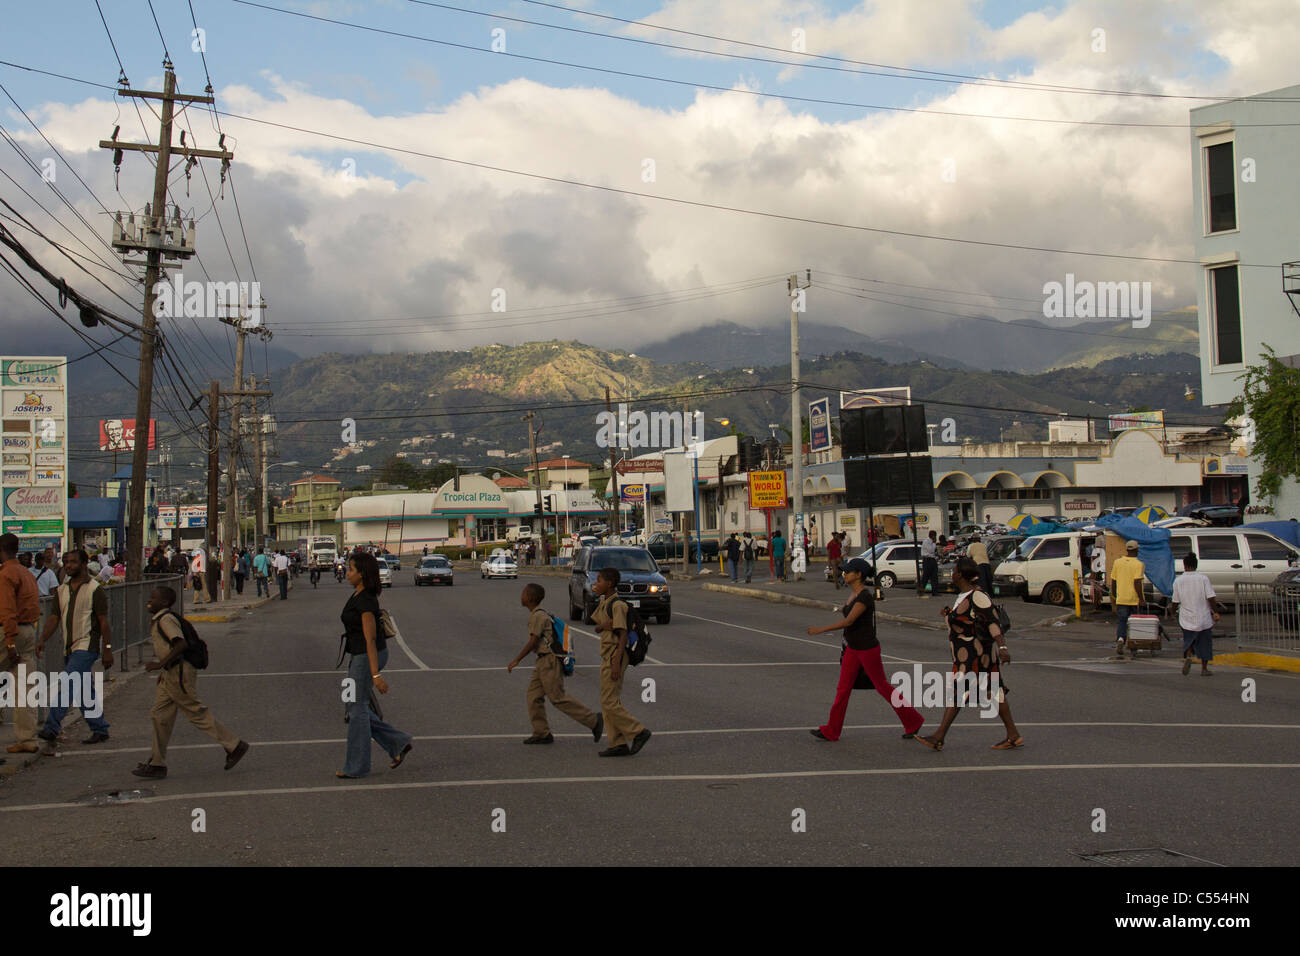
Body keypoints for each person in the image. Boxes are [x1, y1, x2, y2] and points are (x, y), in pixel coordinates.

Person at [131, 586, 249, 778]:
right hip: (170, 674)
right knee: (159, 715)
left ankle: (234, 745)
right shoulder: (161, 618)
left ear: (165, 603)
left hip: (179, 672)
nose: (149, 601)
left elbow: (180, 644)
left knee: (195, 712)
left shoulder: (166, 619)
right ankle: (157, 763)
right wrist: (164, 669)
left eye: (154, 598)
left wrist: (160, 663)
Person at [809, 557, 924, 742]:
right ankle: (831, 730)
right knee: (843, 689)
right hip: (853, 648)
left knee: (882, 686)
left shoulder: (864, 596)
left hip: (867, 648)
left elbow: (849, 621)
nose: (845, 574)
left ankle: (913, 720)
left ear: (859, 575)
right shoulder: (853, 594)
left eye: (849, 571)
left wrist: (820, 630)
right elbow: (847, 614)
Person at [917, 557, 1023, 751]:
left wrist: (1003, 647)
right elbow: (967, 618)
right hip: (971, 655)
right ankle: (1013, 735)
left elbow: (992, 621)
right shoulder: (964, 595)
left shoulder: (977, 595)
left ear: (961, 575)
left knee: (958, 693)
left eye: (955, 570)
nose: (953, 573)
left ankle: (939, 736)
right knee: (994, 692)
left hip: (974, 656)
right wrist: (949, 614)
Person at [337, 551, 412, 778]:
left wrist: (376, 675)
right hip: (358, 656)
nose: (347, 572)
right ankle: (397, 742)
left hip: (367, 657)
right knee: (352, 704)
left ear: (362, 574)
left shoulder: (367, 600)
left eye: (351, 569)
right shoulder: (357, 594)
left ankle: (357, 766)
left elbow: (370, 639)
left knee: (357, 708)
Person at [507, 582, 603, 745]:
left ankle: (593, 720)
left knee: (557, 697)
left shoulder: (538, 616)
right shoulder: (538, 614)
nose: (521, 595)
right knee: (533, 696)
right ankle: (541, 732)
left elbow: (533, 641)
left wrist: (517, 659)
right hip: (542, 661)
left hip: (549, 661)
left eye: (524, 593)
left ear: (529, 597)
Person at [36, 549, 112, 747]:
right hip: (69, 648)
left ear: (84, 564)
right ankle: (99, 728)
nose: (68, 565)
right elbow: (54, 618)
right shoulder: (62, 590)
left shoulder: (95, 589)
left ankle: (52, 727)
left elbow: (104, 622)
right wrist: (42, 639)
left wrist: (107, 648)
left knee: (69, 683)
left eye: (73, 562)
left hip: (86, 646)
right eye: (66, 562)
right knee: (83, 690)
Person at [590, 567, 651, 757]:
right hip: (607, 653)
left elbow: (623, 634)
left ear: (609, 584)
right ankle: (617, 742)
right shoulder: (605, 601)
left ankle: (638, 731)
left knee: (609, 701)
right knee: (608, 700)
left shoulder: (617, 605)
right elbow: (599, 625)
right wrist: (603, 626)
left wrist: (616, 663)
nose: (596, 583)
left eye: (599, 580)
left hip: (614, 655)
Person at [1, 533, 42, 754]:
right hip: (28, 629)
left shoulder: (6, 574)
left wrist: (9, 643)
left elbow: (7, 611)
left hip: (11, 632)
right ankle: (28, 739)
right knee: (24, 687)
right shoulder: (26, 574)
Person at [1171, 553, 1223, 677]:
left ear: (1185, 566)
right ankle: (1204, 669)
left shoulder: (1178, 580)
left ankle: (1189, 656)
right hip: (1203, 617)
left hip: (1186, 617)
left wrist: (1173, 613)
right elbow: (1211, 598)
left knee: (1189, 640)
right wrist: (1216, 612)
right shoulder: (1203, 578)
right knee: (1205, 643)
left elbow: (1175, 601)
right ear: (1196, 565)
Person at [1112, 540, 1146, 659]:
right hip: (1134, 599)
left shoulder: (1117, 562)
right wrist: (1141, 598)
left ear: (1127, 549)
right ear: (1137, 550)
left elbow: (1113, 581)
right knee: (1133, 624)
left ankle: (1121, 639)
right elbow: (1137, 582)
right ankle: (1133, 648)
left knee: (1122, 621)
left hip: (1121, 598)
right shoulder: (1139, 564)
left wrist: (1115, 596)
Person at [919, 530, 939, 597]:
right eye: (934, 536)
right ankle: (921, 591)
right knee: (926, 576)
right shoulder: (926, 542)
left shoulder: (932, 542)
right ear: (932, 536)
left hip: (932, 560)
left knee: (934, 576)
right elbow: (931, 550)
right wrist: (933, 543)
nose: (935, 537)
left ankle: (935, 592)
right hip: (927, 560)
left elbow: (934, 552)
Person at [1090, 540, 1107, 612]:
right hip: (1097, 579)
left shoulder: (1097, 561)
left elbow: (1094, 571)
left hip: (1097, 579)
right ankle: (1097, 606)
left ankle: (1096, 607)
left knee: (1096, 593)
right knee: (1096, 593)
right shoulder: (1100, 560)